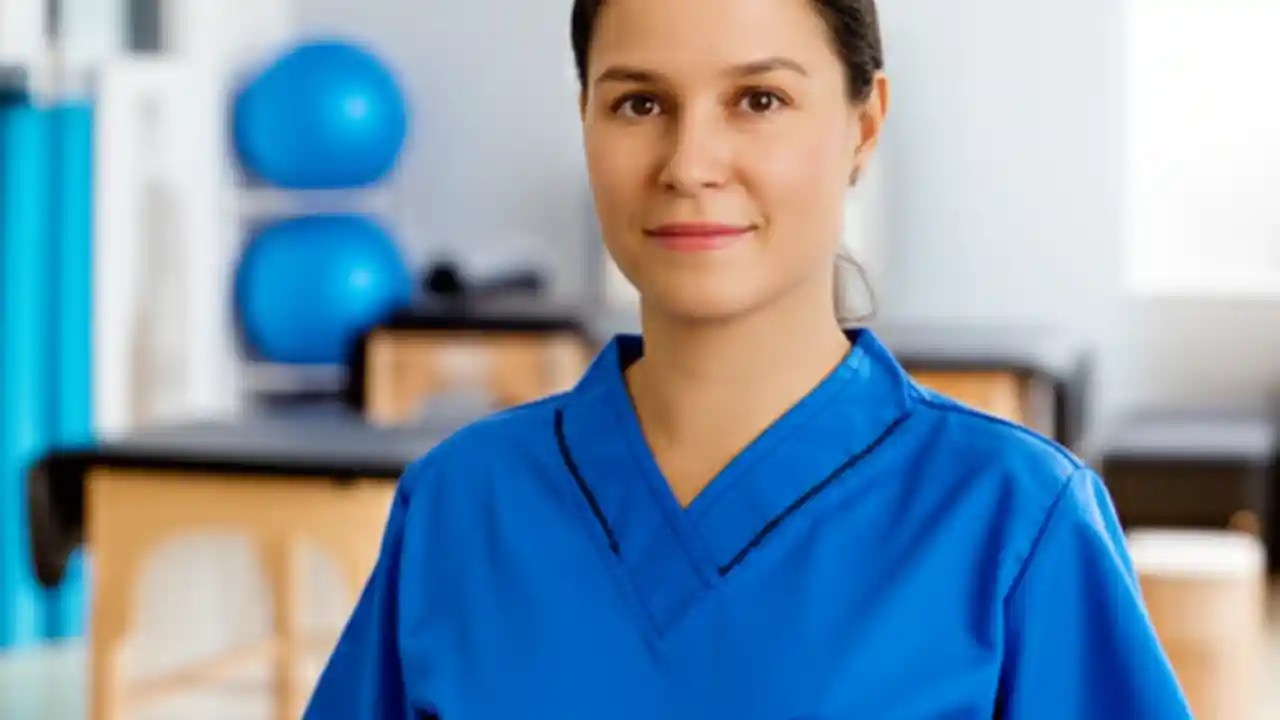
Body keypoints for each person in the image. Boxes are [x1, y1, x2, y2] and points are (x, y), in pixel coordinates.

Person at [304, 0, 1192, 717]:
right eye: (639, 103)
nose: (690, 163)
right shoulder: (461, 503)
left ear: (864, 123)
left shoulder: (1014, 521)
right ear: (586, 121)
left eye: (758, 100)